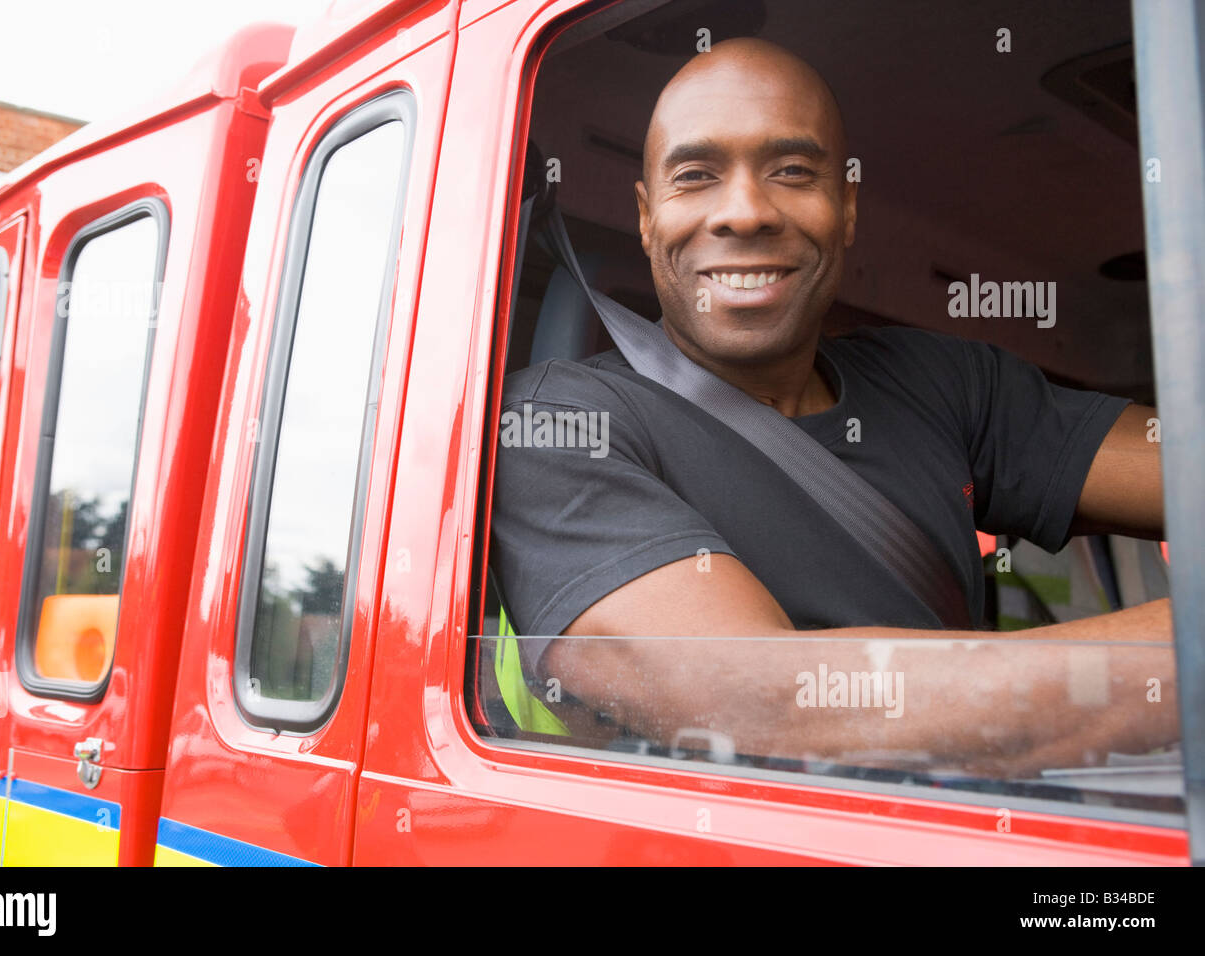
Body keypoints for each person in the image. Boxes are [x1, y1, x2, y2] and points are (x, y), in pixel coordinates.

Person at [488, 38, 1176, 775]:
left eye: (791, 170)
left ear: (845, 208)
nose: (745, 212)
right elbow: (763, 705)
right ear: (648, 217)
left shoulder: (944, 382)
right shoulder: (555, 429)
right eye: (695, 176)